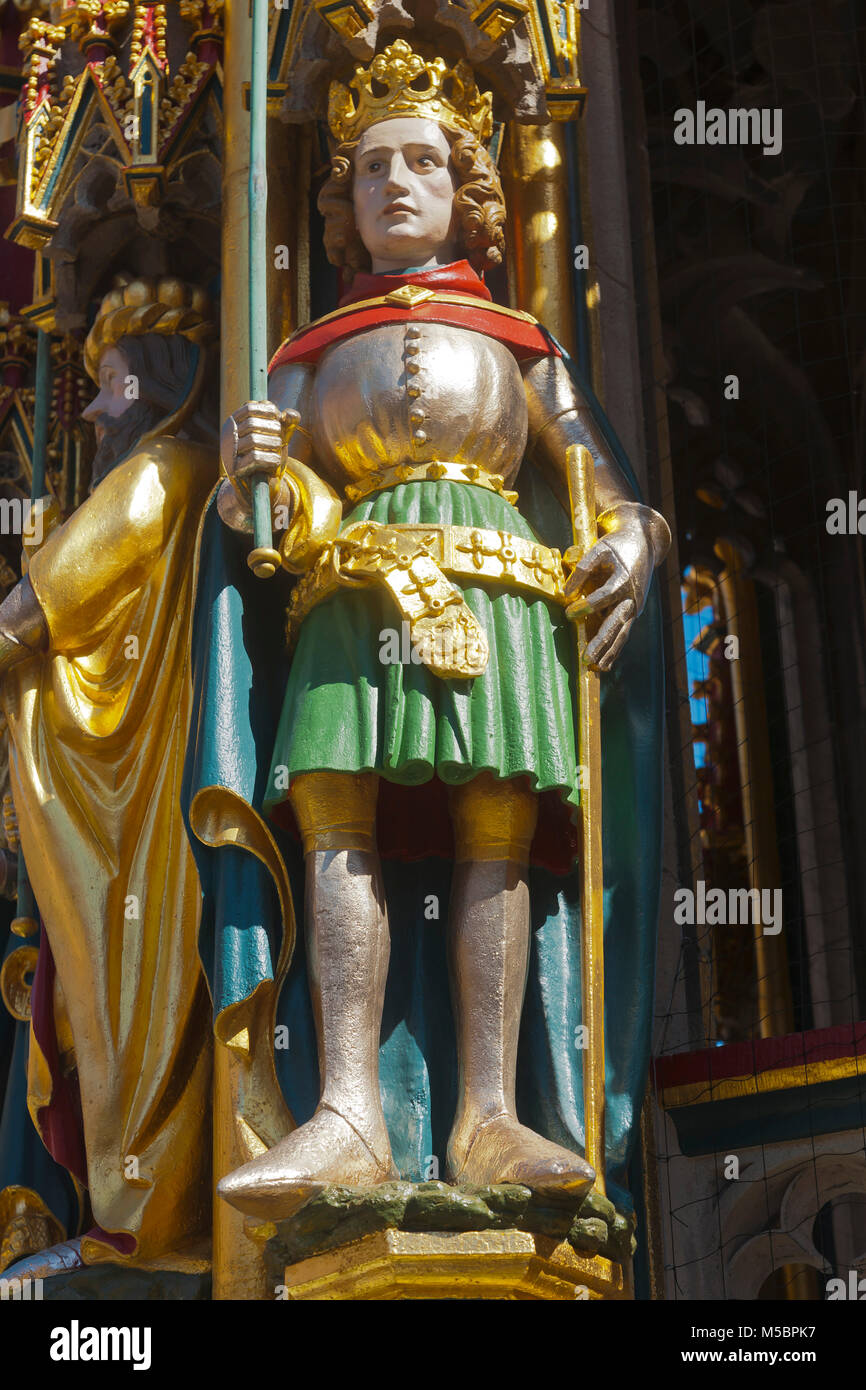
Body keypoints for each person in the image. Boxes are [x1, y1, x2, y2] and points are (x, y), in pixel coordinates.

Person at [193, 41, 670, 1222]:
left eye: (420, 164)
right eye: (367, 170)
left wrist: (634, 542)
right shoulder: (304, 356)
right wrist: (251, 479)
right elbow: (271, 523)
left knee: (495, 828)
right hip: (352, 596)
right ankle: (348, 1106)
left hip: (498, 588)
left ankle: (488, 1112)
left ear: (465, 191)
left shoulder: (520, 343)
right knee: (336, 817)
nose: (394, 185)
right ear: (341, 204)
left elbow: (602, 488)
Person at [0, 279, 215, 1268]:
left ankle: (141, 1218)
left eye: (112, 382)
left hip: (131, 802)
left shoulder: (154, 475)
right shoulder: (193, 468)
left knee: (131, 1000)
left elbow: (31, 613)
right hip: (137, 782)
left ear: (160, 384)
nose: (90, 408)